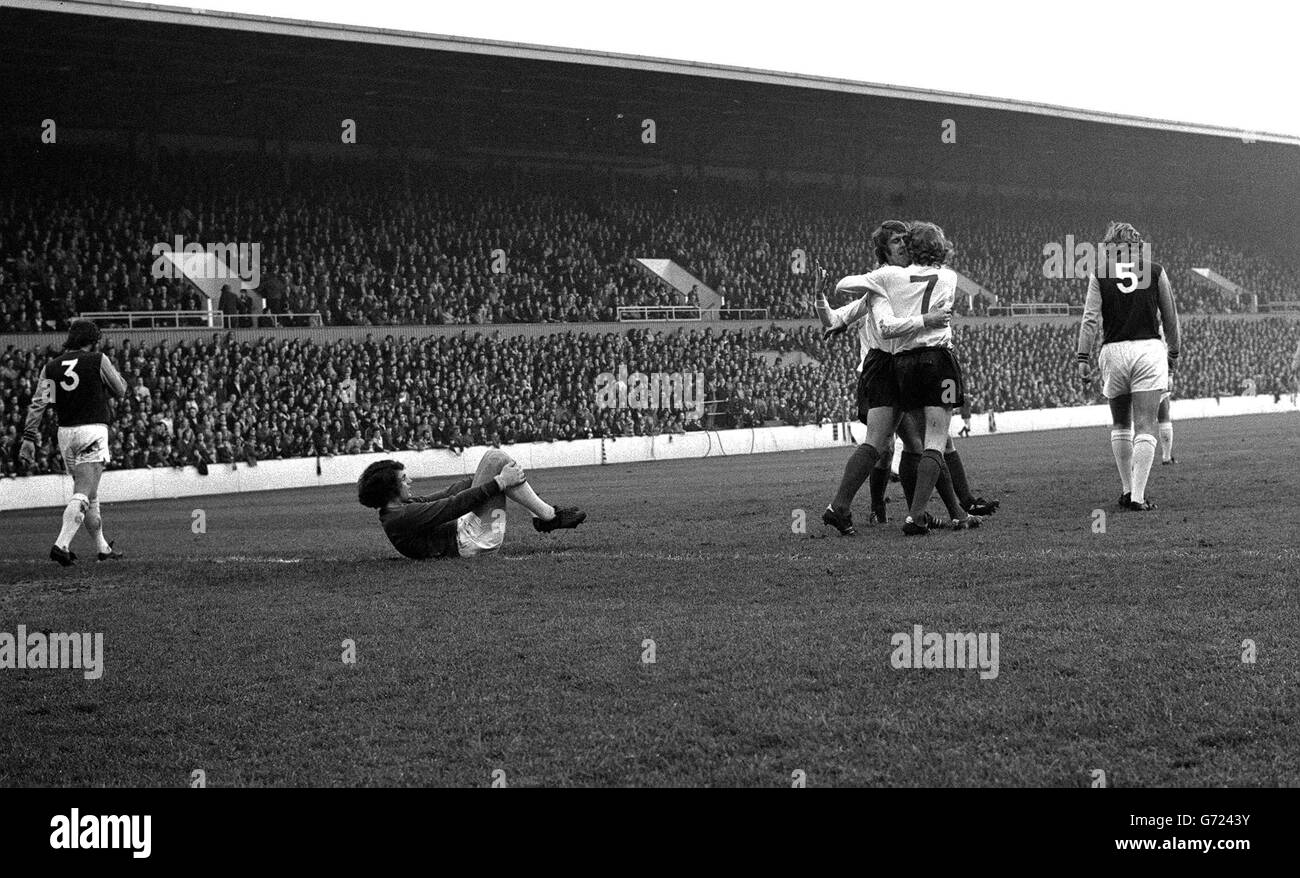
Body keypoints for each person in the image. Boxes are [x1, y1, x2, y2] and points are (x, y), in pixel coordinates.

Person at [817, 221, 992, 535]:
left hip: (899, 365)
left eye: (905, 241)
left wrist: (829, 309)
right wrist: (928, 319)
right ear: (884, 250)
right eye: (896, 241)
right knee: (915, 444)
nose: (902, 245)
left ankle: (952, 510)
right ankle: (920, 513)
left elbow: (840, 316)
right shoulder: (885, 283)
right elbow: (883, 326)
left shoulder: (891, 280)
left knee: (906, 444)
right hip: (890, 367)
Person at [1076, 221, 1180, 511]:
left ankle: (1125, 489)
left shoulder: (1100, 273)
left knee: (1120, 423)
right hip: (1148, 350)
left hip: (1114, 351)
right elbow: (1170, 317)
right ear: (1137, 245)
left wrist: (1082, 357)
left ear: (1111, 246)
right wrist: (1174, 352)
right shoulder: (1155, 270)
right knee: (1146, 423)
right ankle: (1138, 495)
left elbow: (1090, 319)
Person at [19, 319, 128, 565]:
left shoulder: (51, 367)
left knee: (90, 493)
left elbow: (40, 404)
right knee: (83, 494)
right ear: (93, 340)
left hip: (65, 435)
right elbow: (121, 390)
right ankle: (61, 544)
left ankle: (103, 548)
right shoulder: (98, 359)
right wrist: (115, 371)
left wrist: (29, 438)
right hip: (92, 430)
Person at [357, 450, 586, 560]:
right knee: (496, 460)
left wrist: (481, 480)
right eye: (403, 479)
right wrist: (498, 482)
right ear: (391, 489)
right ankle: (548, 516)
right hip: (473, 542)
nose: (410, 481)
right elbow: (451, 506)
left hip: (467, 536)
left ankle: (546, 516)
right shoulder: (399, 516)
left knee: (495, 461)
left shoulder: (397, 510)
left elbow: (445, 495)